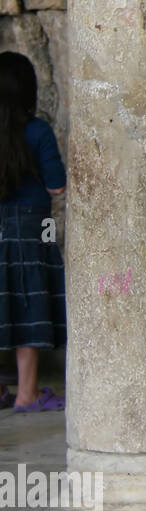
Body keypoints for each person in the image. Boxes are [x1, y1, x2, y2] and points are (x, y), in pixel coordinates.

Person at [0, 51, 66, 412]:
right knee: (31, 299)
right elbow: (56, 186)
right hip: (37, 223)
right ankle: (28, 393)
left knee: (3, 300)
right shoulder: (38, 131)